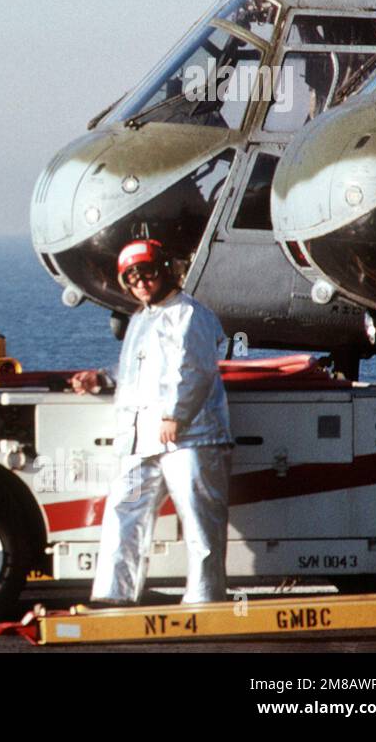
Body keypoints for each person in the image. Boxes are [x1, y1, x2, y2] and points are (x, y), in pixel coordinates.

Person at [69, 239, 232, 605]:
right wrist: (101, 379)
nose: (141, 282)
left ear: (166, 272)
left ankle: (206, 599)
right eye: (132, 277)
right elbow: (135, 374)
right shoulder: (141, 319)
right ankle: (114, 595)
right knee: (124, 511)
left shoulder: (192, 314)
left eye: (147, 273)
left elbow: (195, 369)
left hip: (192, 438)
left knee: (200, 521)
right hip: (142, 440)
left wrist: (176, 415)